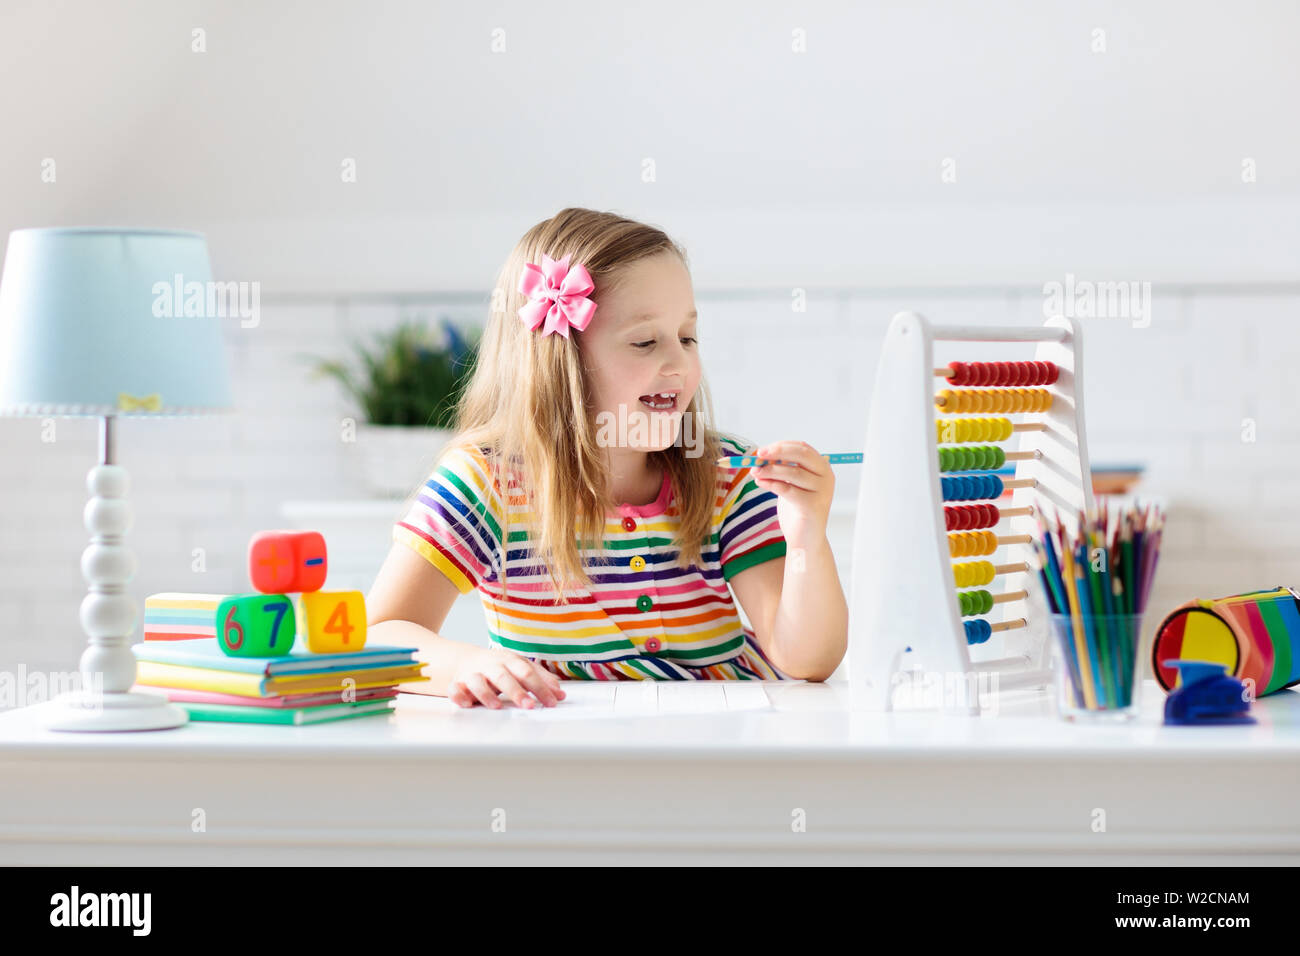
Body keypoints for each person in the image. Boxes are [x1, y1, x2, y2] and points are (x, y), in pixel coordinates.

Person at [367, 207, 847, 708]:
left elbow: (807, 661)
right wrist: (463, 665)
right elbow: (379, 634)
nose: (679, 362)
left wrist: (807, 535)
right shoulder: (486, 480)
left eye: (687, 337)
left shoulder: (724, 476)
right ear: (561, 362)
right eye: (645, 341)